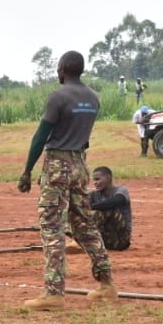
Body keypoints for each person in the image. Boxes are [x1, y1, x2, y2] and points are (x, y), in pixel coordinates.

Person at [17, 50, 117, 310]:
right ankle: (106, 284)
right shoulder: (93, 98)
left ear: (62, 69)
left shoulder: (58, 97)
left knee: (52, 227)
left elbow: (40, 137)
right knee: (85, 224)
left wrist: (27, 170)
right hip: (80, 164)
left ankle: (53, 293)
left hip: (57, 166)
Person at [88, 166, 131, 251]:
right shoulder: (94, 194)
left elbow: (116, 201)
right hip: (104, 239)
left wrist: (91, 207)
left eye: (97, 179)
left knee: (108, 210)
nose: (95, 182)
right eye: (94, 180)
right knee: (74, 214)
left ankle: (87, 239)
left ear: (108, 178)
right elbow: (80, 205)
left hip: (120, 240)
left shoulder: (121, 190)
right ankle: (84, 240)